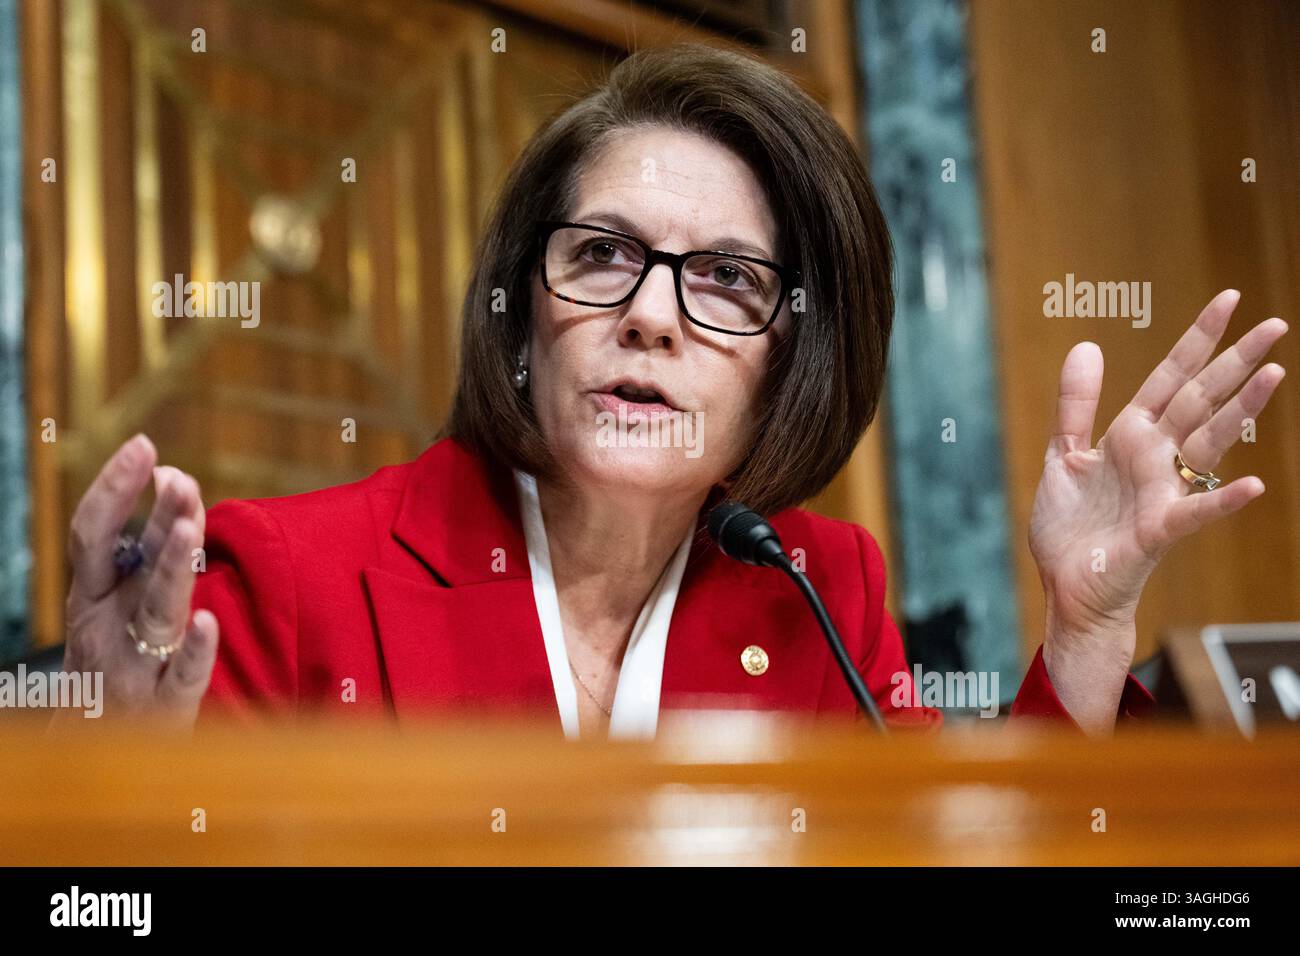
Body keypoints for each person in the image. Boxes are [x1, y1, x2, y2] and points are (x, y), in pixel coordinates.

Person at [55, 44, 1287, 739]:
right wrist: (121, 777)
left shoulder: (821, 592)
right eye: (600, 254)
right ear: (523, 309)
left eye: (727, 278)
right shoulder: (275, 576)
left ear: (788, 362)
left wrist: (1082, 628)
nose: (649, 310)